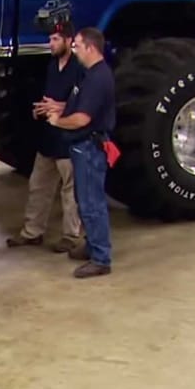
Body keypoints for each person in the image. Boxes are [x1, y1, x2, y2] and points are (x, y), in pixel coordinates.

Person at [41, 27, 116, 278]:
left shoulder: (97, 79)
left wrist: (57, 121)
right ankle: (92, 244)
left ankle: (101, 257)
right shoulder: (89, 75)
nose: (75, 50)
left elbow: (82, 118)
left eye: (78, 46)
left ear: (90, 48)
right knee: (84, 201)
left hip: (89, 148)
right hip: (82, 147)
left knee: (92, 203)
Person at [6, 21, 85, 253]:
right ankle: (32, 232)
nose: (50, 44)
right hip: (48, 137)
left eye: (55, 39)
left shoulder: (80, 68)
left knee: (70, 190)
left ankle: (71, 236)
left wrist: (63, 106)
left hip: (69, 139)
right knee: (38, 186)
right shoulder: (51, 66)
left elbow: (86, 101)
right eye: (50, 39)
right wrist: (40, 108)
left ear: (69, 41)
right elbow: (49, 96)